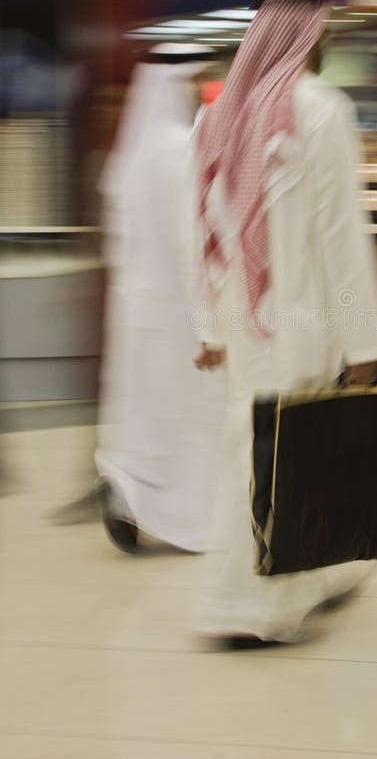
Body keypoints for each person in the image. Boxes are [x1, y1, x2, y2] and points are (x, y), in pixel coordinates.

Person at [194, 0, 377, 647]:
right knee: (295, 452)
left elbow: (206, 234)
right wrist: (364, 341)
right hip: (302, 320)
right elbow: (341, 238)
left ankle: (257, 591)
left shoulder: (217, 116)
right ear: (312, 38)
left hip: (244, 321)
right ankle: (262, 606)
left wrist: (211, 326)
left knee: (248, 446)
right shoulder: (321, 110)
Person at [95, 43, 228, 553]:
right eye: (195, 80)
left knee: (143, 411)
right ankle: (183, 511)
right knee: (190, 413)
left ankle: (127, 488)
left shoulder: (132, 153)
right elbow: (193, 240)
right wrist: (210, 314)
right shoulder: (179, 147)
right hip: (180, 309)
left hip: (136, 310)